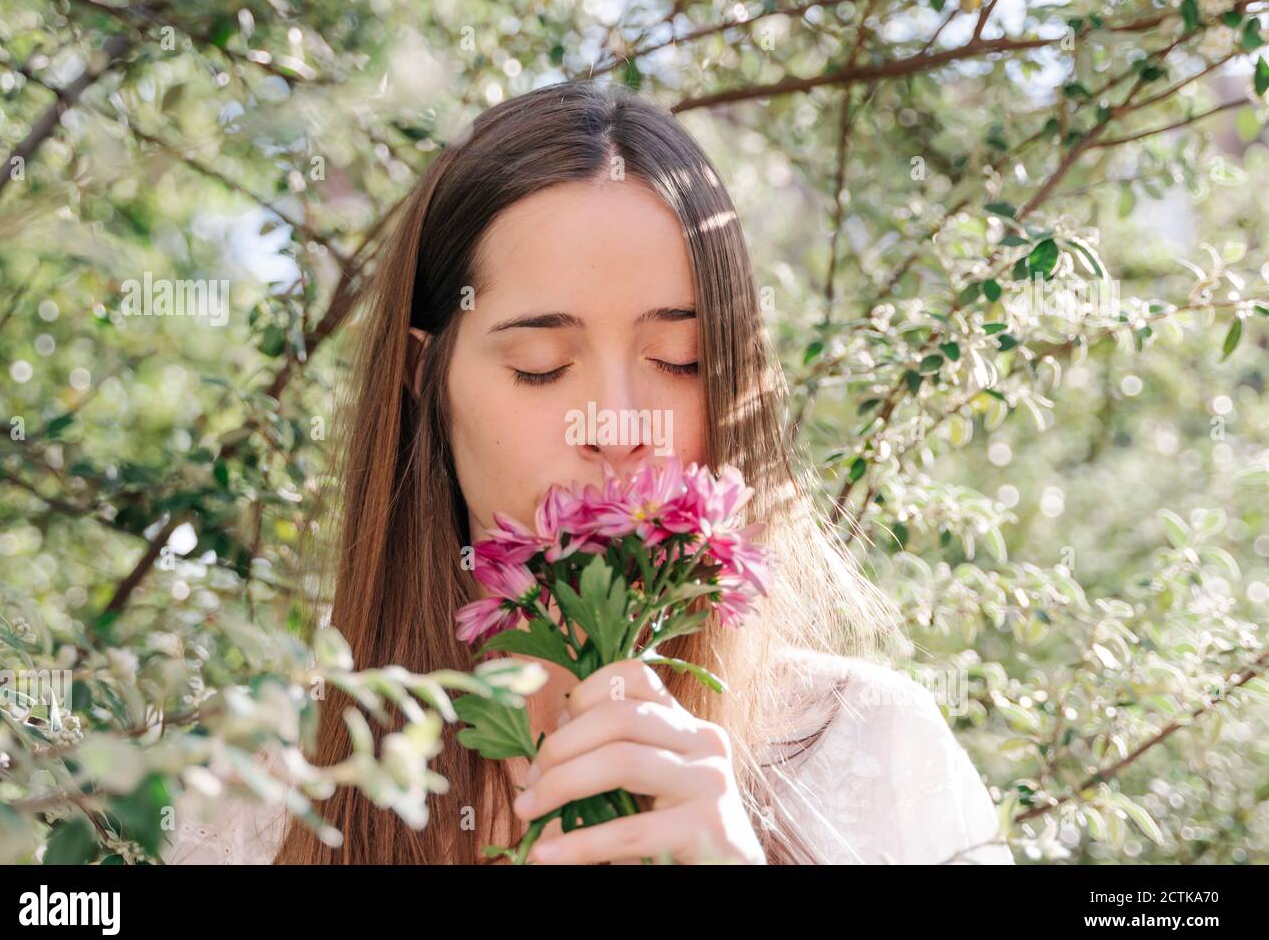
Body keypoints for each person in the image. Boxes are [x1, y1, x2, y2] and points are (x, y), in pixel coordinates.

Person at [162, 78, 1014, 866]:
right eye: (540, 365)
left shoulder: (868, 749)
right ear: (426, 383)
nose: (615, 424)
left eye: (679, 360)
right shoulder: (259, 790)